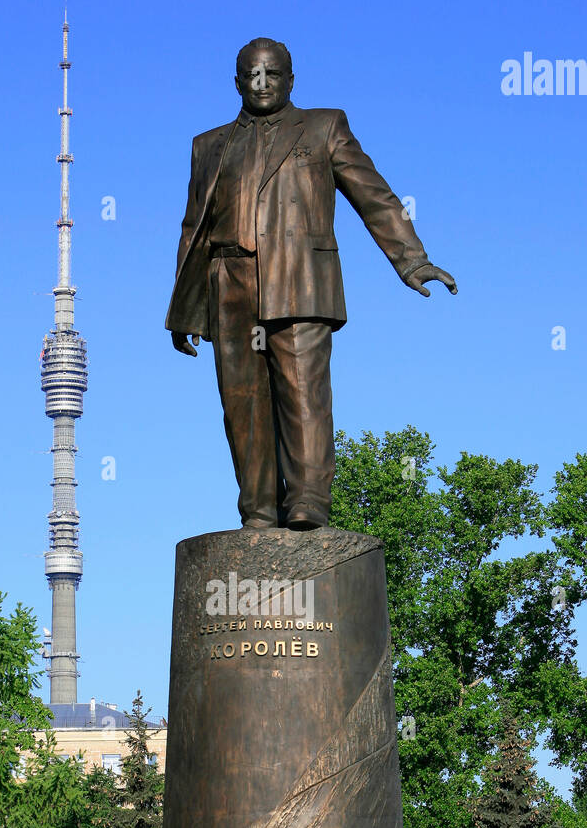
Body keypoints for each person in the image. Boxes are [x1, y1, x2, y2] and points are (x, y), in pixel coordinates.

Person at [166, 37, 457, 530]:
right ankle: (257, 511)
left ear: (291, 80)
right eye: (252, 75)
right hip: (229, 284)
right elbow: (193, 227)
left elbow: (375, 195)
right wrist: (186, 307)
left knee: (303, 394)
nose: (261, 84)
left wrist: (411, 259)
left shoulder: (325, 127)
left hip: (299, 280)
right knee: (242, 405)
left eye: (272, 75)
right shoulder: (208, 145)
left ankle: (307, 501)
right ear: (237, 81)